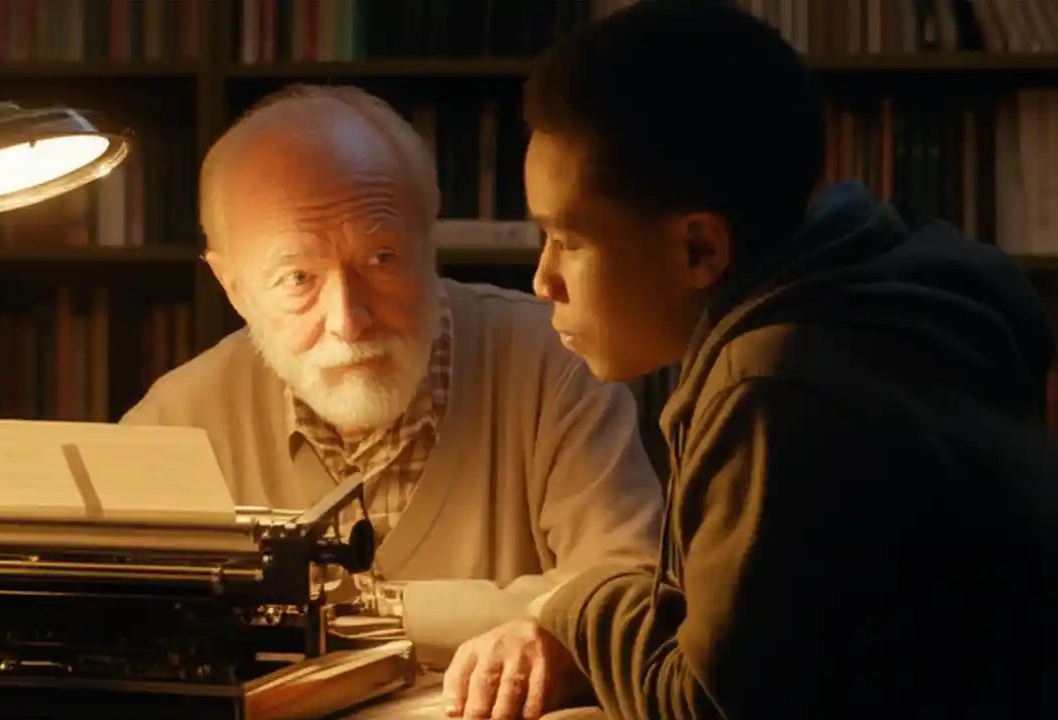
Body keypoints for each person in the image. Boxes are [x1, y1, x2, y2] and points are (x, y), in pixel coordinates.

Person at [442, 2, 1058, 719]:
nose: (543, 280)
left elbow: (704, 704)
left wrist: (570, 601)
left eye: (568, 241)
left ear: (699, 249)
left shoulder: (780, 387)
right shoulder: (893, 294)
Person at [119, 83, 664, 677]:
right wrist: (506, 614)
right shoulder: (177, 423)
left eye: (381, 259)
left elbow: (624, 591)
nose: (349, 320)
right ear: (234, 289)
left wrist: (357, 612)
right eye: (298, 278)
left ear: (430, 244)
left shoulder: (555, 364)